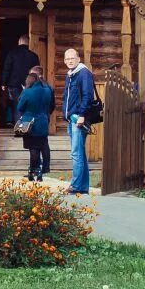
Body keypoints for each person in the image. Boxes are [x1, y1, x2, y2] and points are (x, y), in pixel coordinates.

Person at [61, 48, 94, 195]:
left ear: (78, 59)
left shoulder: (83, 73)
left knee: (76, 153)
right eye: (67, 59)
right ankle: (83, 187)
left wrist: (81, 115)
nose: (69, 61)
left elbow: (87, 95)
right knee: (80, 153)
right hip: (71, 119)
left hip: (79, 119)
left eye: (72, 58)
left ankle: (75, 186)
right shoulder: (70, 75)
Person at [16, 70, 54, 182]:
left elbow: (20, 107)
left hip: (30, 123)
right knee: (43, 144)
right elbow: (50, 105)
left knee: (33, 148)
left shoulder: (27, 92)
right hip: (43, 121)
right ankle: (44, 168)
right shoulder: (47, 91)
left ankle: (34, 170)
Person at [0, 34, 41, 127]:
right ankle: (28, 127)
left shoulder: (12, 53)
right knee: (28, 106)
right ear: (28, 43)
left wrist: (3, 83)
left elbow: (7, 68)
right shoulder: (34, 56)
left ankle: (19, 129)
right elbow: (37, 71)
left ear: (19, 42)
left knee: (17, 105)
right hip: (30, 84)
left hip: (13, 85)